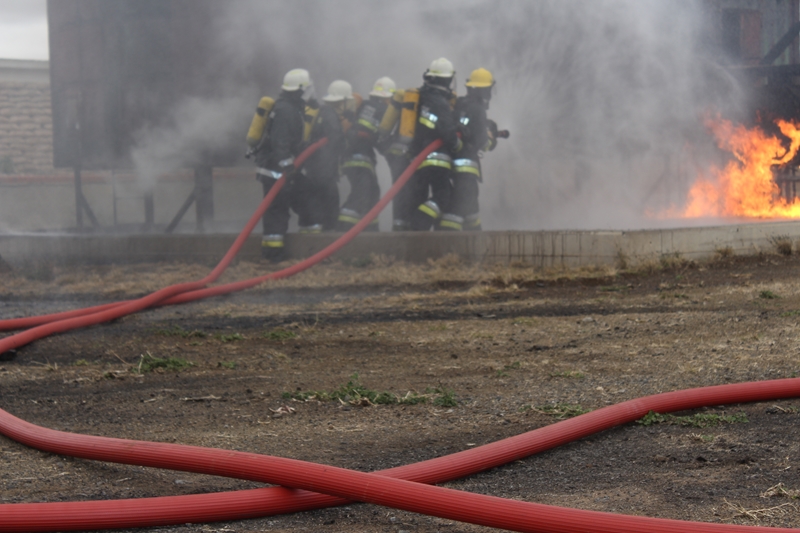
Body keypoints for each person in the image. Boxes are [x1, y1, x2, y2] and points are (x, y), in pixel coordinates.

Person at [247, 68, 311, 263]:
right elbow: (279, 142)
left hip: (278, 168)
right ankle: (273, 255)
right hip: (275, 170)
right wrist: (288, 165)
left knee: (294, 203)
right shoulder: (285, 111)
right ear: (299, 90)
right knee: (276, 210)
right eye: (306, 88)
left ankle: (280, 250)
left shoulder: (290, 108)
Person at [405, 58, 463, 231]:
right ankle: (419, 223)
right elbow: (447, 132)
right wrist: (458, 145)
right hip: (437, 160)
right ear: (447, 80)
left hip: (419, 158)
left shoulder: (423, 97)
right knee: (444, 196)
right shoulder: (439, 102)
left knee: (422, 197)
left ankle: (419, 232)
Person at [444, 67, 502, 231]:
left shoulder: (460, 104)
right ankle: (447, 247)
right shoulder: (478, 110)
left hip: (451, 164)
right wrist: (491, 140)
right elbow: (482, 142)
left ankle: (475, 244)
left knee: (471, 209)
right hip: (466, 167)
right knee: (458, 209)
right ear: (484, 91)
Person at [337, 76, 396, 231]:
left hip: (350, 156)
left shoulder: (363, 106)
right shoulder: (384, 110)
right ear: (388, 98)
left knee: (372, 193)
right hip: (360, 159)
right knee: (361, 194)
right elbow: (380, 138)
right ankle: (341, 232)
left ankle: (370, 234)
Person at [299, 80, 349, 232]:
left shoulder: (321, 111)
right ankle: (328, 242)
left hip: (312, 169)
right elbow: (335, 139)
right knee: (330, 208)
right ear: (342, 102)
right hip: (324, 172)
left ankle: (308, 243)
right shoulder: (329, 113)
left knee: (312, 207)